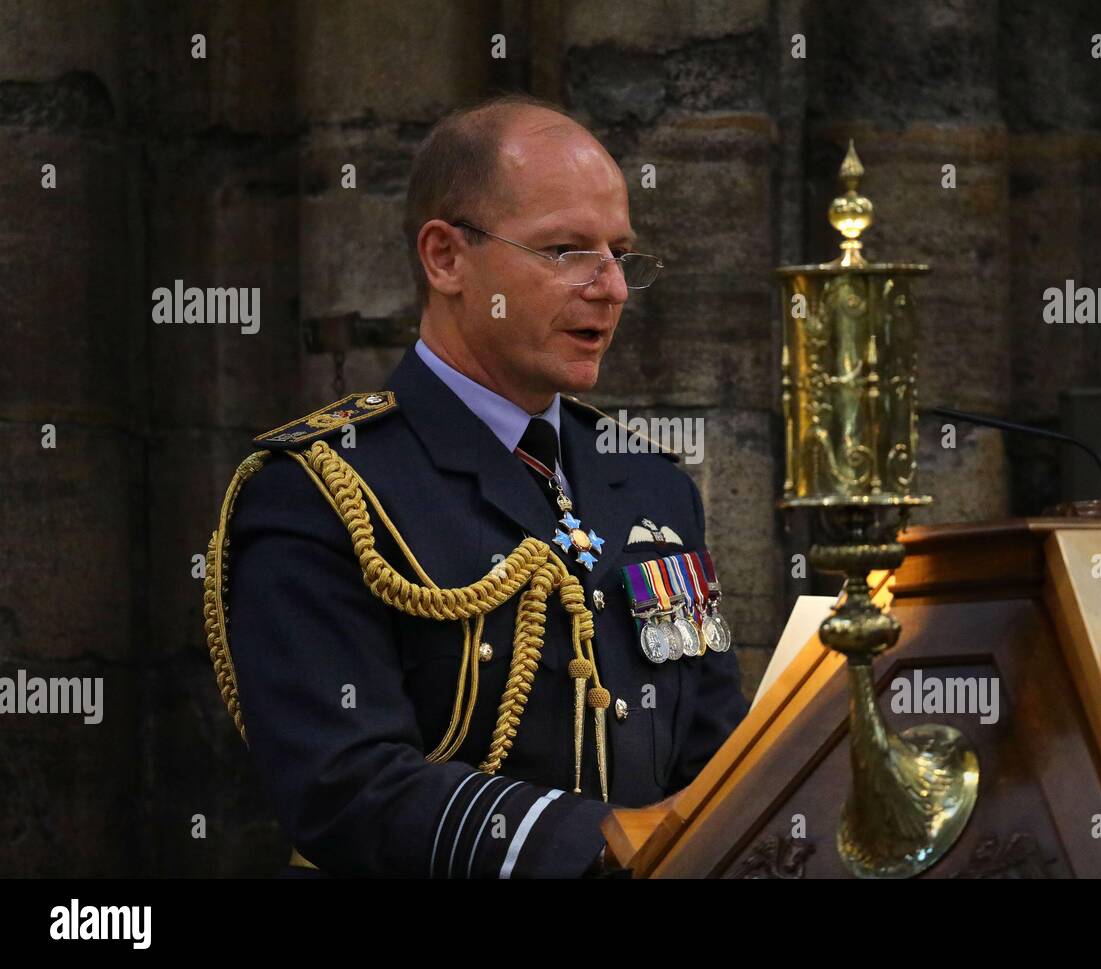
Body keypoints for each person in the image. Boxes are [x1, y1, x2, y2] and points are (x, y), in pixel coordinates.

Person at [203, 93, 749, 878]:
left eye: (619, 253)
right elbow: (343, 786)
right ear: (447, 258)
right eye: (565, 251)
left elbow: (713, 751)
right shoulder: (324, 487)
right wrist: (607, 842)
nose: (611, 288)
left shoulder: (651, 486)